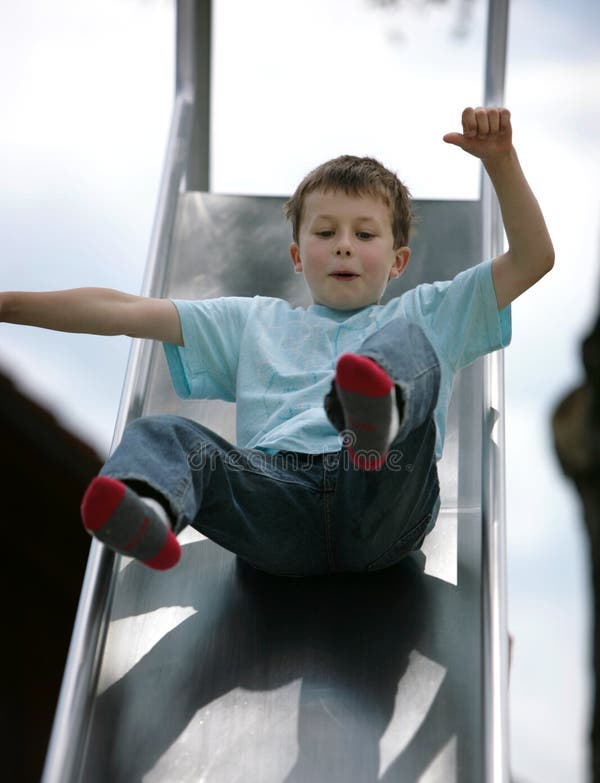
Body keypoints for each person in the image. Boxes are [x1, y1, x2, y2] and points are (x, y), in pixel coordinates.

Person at [1, 107, 554, 576]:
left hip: (384, 491)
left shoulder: (428, 310)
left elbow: (533, 260)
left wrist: (501, 163)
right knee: (163, 434)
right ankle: (146, 506)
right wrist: (7, 305)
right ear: (297, 255)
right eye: (324, 232)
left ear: (397, 261)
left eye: (364, 234)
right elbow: (123, 311)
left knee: (408, 342)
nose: (343, 247)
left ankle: (375, 412)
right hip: (275, 498)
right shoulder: (254, 323)